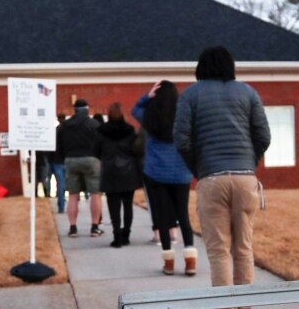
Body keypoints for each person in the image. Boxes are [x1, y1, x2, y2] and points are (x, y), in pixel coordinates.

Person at [174, 47, 269, 309]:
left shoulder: (191, 95)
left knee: (219, 248)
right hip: (245, 178)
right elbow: (263, 135)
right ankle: (245, 307)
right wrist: (249, 163)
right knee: (244, 245)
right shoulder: (248, 93)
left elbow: (181, 138)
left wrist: (199, 167)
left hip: (211, 178)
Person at [134, 80, 197, 275]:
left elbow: (135, 109)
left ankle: (168, 263)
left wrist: (148, 95)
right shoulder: (183, 117)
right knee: (183, 216)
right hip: (181, 173)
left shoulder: (149, 116)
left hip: (156, 173)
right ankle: (190, 261)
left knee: (162, 218)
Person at [97, 103, 142, 247]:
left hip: (110, 171)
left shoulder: (101, 131)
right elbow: (136, 150)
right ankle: (126, 235)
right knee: (128, 205)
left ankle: (116, 235)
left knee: (113, 205)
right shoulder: (130, 130)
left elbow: (96, 150)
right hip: (128, 171)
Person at [58, 99, 105, 237]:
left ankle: (72, 228)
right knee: (95, 194)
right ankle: (95, 227)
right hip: (91, 159)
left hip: (71, 159)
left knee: (73, 195)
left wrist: (63, 158)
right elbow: (101, 143)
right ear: (87, 109)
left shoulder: (65, 126)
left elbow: (59, 145)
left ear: (74, 110)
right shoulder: (94, 124)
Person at [48, 114, 67, 213]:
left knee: (60, 183)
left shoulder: (55, 132)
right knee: (69, 184)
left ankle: (61, 205)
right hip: (67, 160)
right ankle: (71, 202)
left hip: (56, 161)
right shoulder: (69, 131)